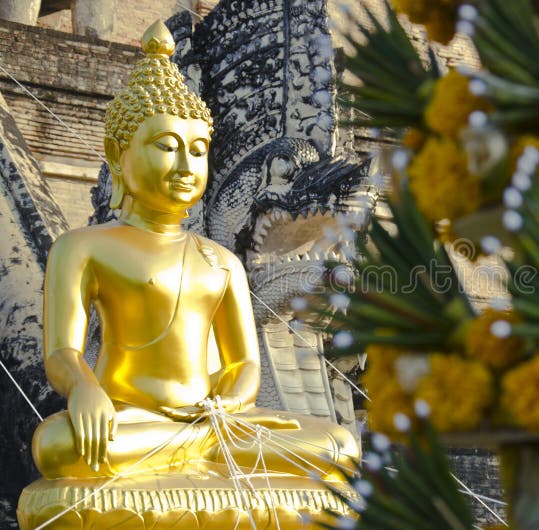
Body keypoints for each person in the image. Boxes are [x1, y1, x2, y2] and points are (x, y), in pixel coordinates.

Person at [31, 20, 358, 480]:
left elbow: (244, 364)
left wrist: (226, 405)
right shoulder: (83, 248)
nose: (187, 165)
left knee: (338, 445)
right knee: (57, 446)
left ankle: (196, 451)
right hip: (130, 421)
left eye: (199, 149)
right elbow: (62, 352)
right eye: (167, 146)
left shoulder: (222, 262)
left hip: (212, 424)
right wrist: (84, 388)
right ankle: (194, 456)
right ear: (116, 156)